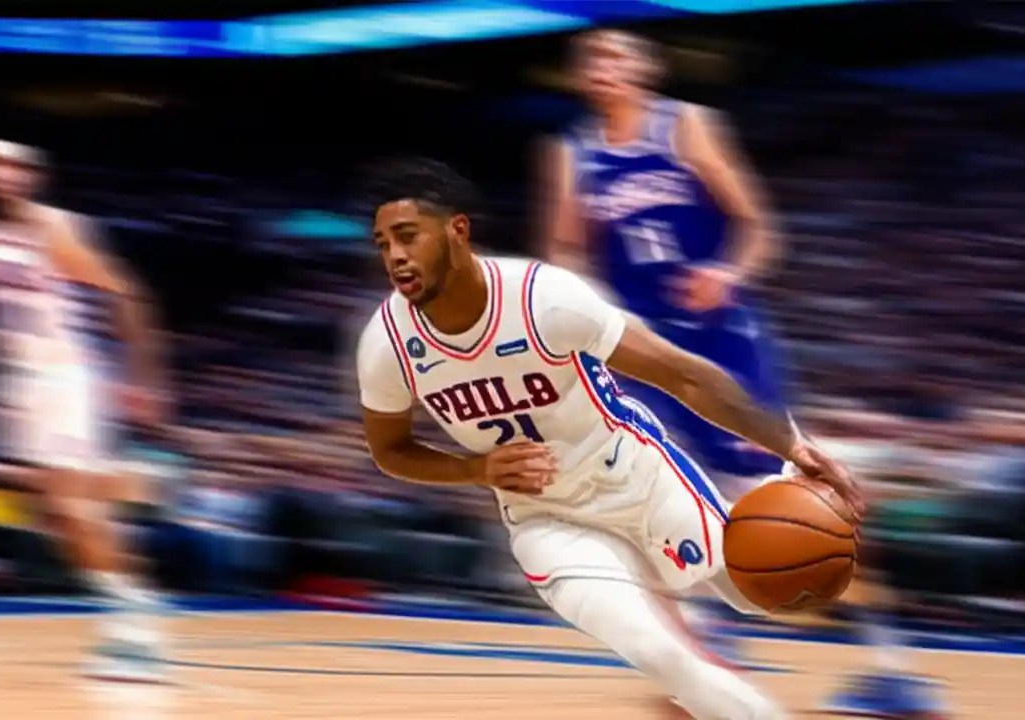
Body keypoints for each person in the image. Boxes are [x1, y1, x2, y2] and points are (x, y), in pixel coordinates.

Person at [354, 157, 862, 719]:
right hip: (546, 519)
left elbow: (683, 375)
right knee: (661, 655)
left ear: (457, 230)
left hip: (636, 477)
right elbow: (389, 450)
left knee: (767, 591)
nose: (395, 255)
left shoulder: (543, 299)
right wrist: (474, 470)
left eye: (407, 236)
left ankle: (857, 626)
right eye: (383, 244)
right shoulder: (386, 344)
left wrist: (792, 445)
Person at [540, 29, 947, 717]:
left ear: (647, 68)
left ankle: (892, 670)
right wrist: (582, 307)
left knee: (798, 504)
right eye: (592, 59)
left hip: (723, 343)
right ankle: (708, 652)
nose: (604, 66)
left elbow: (758, 226)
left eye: (618, 54)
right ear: (581, 78)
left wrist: (726, 273)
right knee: (647, 502)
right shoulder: (571, 152)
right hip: (641, 352)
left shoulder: (686, 125)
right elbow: (564, 252)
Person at [0, 135, 170, 682]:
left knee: (70, 502)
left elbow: (126, 295)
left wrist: (144, 377)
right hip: (11, 388)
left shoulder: (54, 227)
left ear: (32, 176)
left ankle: (137, 621)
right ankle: (130, 599)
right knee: (58, 512)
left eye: (10, 165)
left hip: (64, 377)